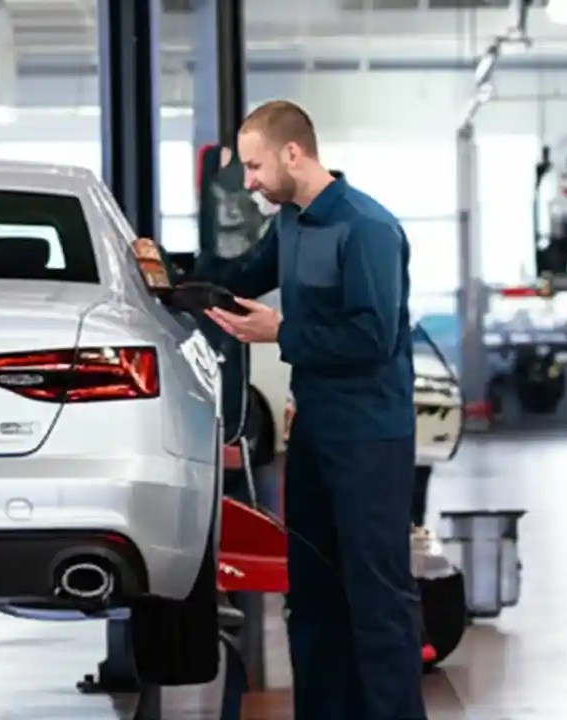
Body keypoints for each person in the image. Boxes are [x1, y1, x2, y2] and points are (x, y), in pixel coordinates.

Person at [200, 100, 426, 720]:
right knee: (314, 595)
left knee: (377, 596)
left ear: (292, 153)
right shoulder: (293, 222)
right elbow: (241, 277)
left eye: (254, 166)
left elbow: (372, 338)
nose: (247, 182)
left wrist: (284, 332)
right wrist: (166, 278)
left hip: (370, 439)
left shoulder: (368, 228)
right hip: (315, 436)